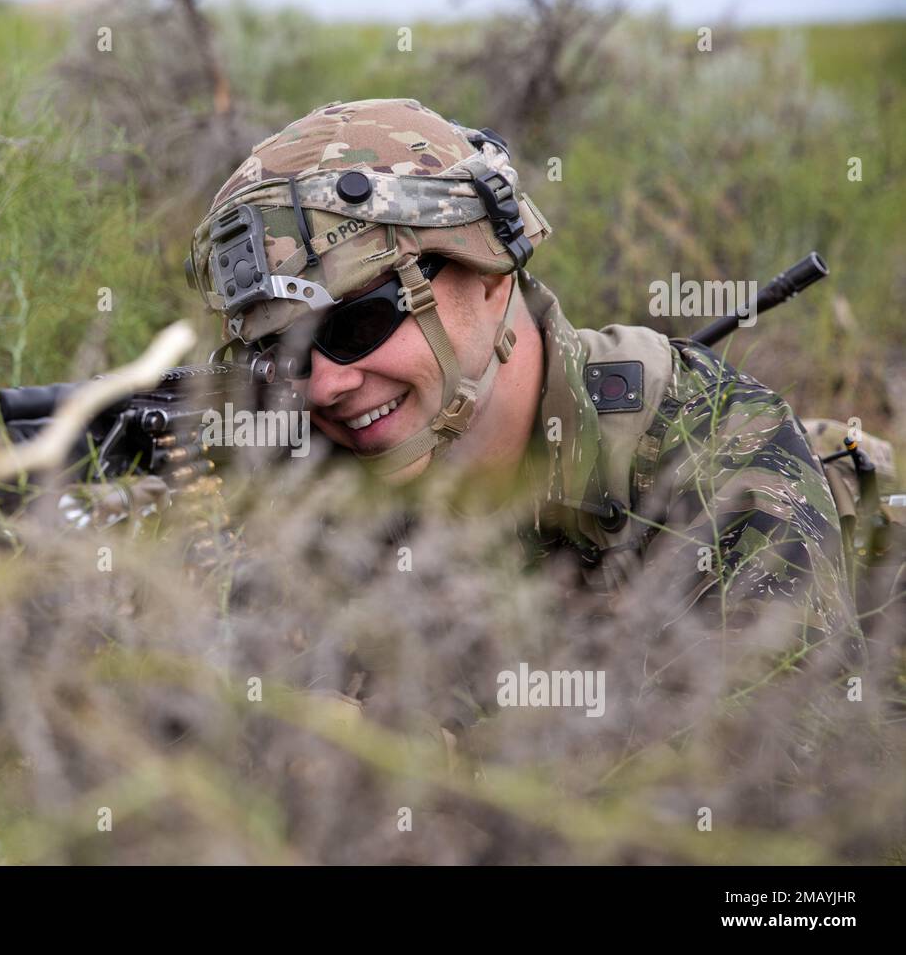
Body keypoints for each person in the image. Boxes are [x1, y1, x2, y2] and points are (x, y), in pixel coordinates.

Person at [186, 98, 862, 640]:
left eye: (356, 324)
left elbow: (777, 771)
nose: (326, 385)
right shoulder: (300, 481)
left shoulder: (714, 445)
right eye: (283, 353)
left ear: (486, 271)